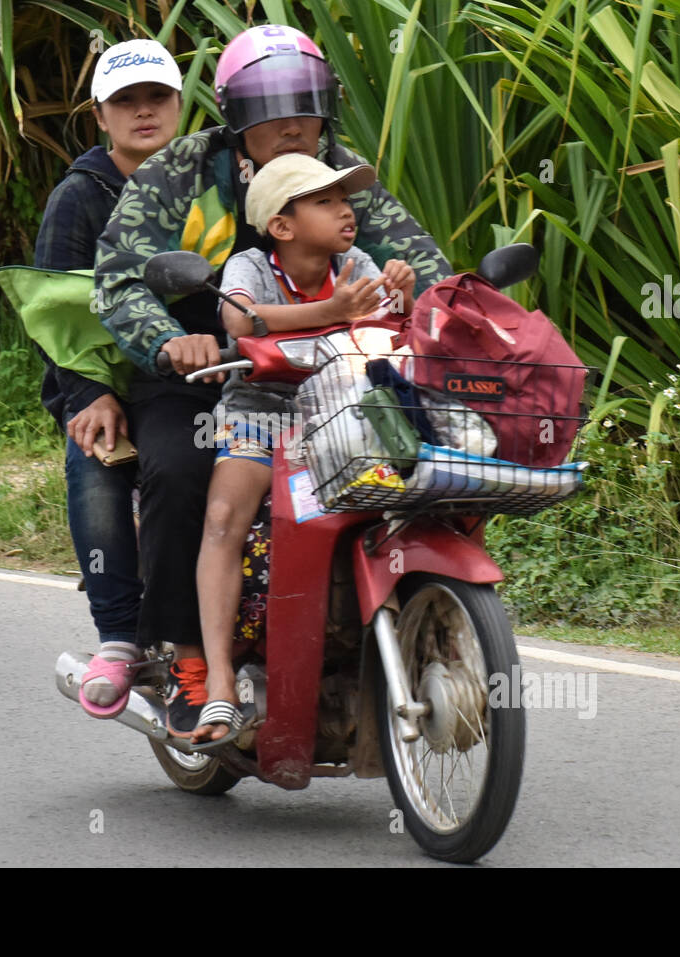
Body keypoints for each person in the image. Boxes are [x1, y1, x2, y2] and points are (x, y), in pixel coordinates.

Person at [94, 24, 452, 737]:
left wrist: (437, 314)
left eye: (306, 105)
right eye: (267, 109)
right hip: (206, 369)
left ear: (329, 110)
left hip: (327, 374)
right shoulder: (183, 171)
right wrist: (172, 342)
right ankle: (193, 662)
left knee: (417, 466)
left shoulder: (343, 180)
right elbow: (120, 278)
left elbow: (424, 267)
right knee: (179, 472)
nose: (290, 124)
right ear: (235, 119)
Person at [190, 153, 418, 742]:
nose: (346, 210)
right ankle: (219, 683)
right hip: (261, 415)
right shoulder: (250, 264)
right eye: (325, 201)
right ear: (282, 226)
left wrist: (405, 297)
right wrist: (331, 311)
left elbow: (390, 328)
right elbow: (239, 320)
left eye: (346, 199)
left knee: (420, 492)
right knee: (223, 518)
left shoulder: (358, 262)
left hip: (347, 412)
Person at [33, 38, 182, 718]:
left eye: (157, 98)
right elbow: (55, 313)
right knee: (97, 462)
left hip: (202, 375)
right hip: (106, 382)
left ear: (181, 105)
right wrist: (89, 394)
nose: (143, 112)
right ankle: (119, 635)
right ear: (100, 115)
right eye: (127, 101)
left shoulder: (212, 183)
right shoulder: (80, 198)